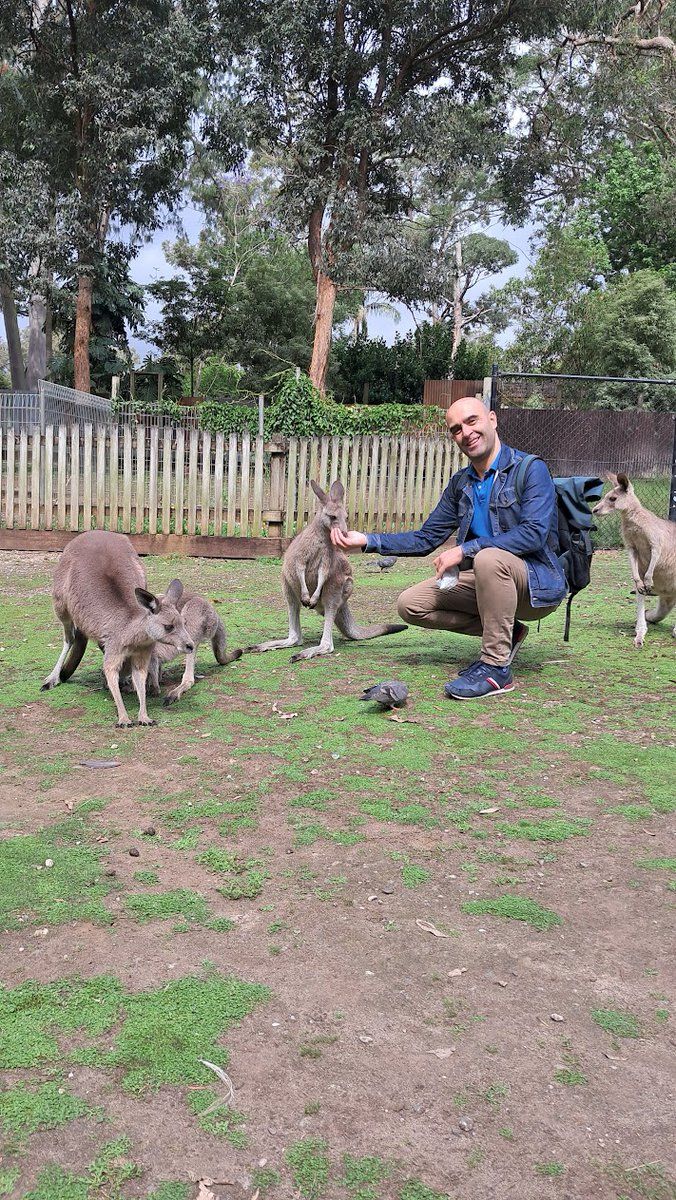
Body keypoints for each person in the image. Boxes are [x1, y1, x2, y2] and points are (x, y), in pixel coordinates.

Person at [330, 396, 567, 699]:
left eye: (472, 421)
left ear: (492, 420)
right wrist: (368, 541)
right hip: (488, 580)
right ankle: (510, 633)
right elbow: (426, 538)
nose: (465, 433)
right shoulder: (461, 484)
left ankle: (496, 669)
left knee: (488, 558)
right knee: (411, 604)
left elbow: (533, 534)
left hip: (534, 586)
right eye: (456, 429)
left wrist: (465, 550)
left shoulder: (530, 469)